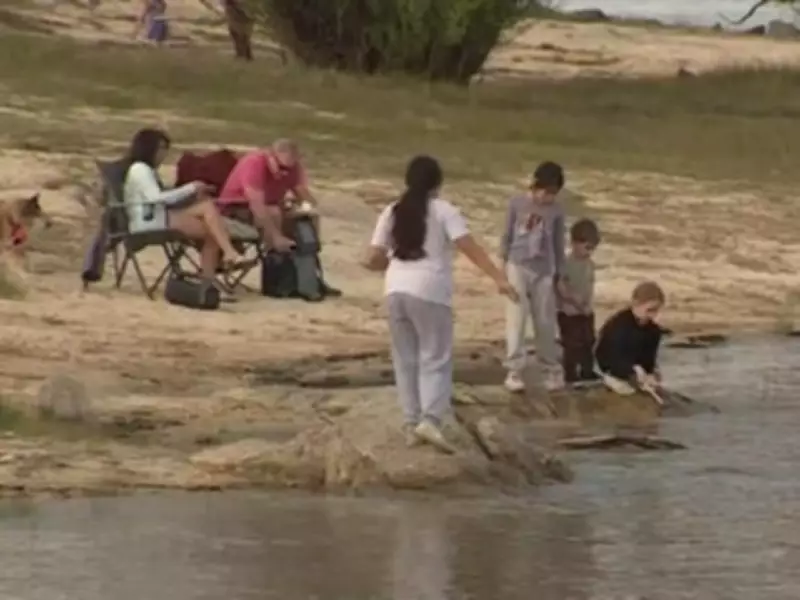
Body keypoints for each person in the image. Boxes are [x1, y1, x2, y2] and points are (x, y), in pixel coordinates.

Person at [364, 155, 518, 453]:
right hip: (430, 290)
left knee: (405, 358)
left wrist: (386, 263)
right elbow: (469, 247)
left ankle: (410, 421)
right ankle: (430, 419)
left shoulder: (392, 211)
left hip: (395, 288)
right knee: (435, 356)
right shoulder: (443, 211)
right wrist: (499, 278)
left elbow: (374, 256)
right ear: (437, 183)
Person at [217, 138, 340, 296]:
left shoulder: (292, 167)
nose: (284, 172)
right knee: (273, 212)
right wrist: (276, 236)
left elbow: (300, 191)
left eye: (289, 168)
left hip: (272, 206)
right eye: (281, 167)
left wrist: (310, 207)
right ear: (271, 155)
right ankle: (280, 264)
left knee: (306, 219)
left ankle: (309, 276)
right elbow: (256, 204)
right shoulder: (255, 164)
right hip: (236, 208)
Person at [122, 128, 243, 279]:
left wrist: (192, 192)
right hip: (149, 220)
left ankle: (222, 261)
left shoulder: (147, 170)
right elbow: (155, 198)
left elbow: (161, 197)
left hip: (158, 215)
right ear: (149, 148)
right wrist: (191, 187)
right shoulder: (139, 169)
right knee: (211, 228)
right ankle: (221, 263)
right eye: (162, 148)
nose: (164, 154)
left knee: (207, 209)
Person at [499, 161, 567, 393]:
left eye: (552, 193)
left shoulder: (557, 211)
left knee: (545, 321)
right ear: (535, 185)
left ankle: (550, 368)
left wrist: (560, 274)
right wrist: (502, 273)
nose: (547, 197)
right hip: (518, 265)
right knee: (517, 319)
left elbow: (559, 244)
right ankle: (515, 369)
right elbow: (506, 237)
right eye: (545, 191)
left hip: (545, 271)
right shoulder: (517, 204)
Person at [594, 281, 666, 394]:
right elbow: (609, 357)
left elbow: (649, 359)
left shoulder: (654, 330)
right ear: (635, 304)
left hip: (636, 371)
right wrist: (632, 369)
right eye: (649, 310)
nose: (652, 315)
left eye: (656, 311)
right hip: (612, 370)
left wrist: (651, 373)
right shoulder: (618, 325)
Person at [557, 218, 601, 385]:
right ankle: (570, 373)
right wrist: (573, 300)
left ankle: (587, 370)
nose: (589, 252)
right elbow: (560, 285)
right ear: (574, 243)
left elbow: (590, 285)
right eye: (587, 247)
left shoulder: (590, 264)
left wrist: (587, 304)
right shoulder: (566, 263)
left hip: (586, 311)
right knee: (571, 344)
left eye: (592, 249)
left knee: (588, 341)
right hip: (569, 312)